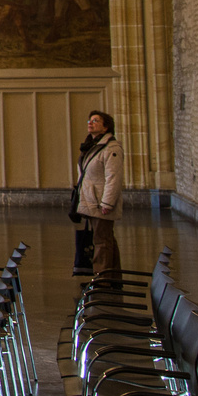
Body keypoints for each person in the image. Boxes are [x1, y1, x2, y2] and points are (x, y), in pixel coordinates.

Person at [75, 110, 122, 279]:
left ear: (105, 127)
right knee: (105, 239)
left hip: (100, 202)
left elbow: (113, 178)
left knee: (102, 241)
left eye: (95, 121)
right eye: (90, 120)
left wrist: (107, 203)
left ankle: (102, 279)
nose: (90, 123)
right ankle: (112, 276)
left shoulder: (111, 148)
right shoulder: (93, 145)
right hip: (91, 199)